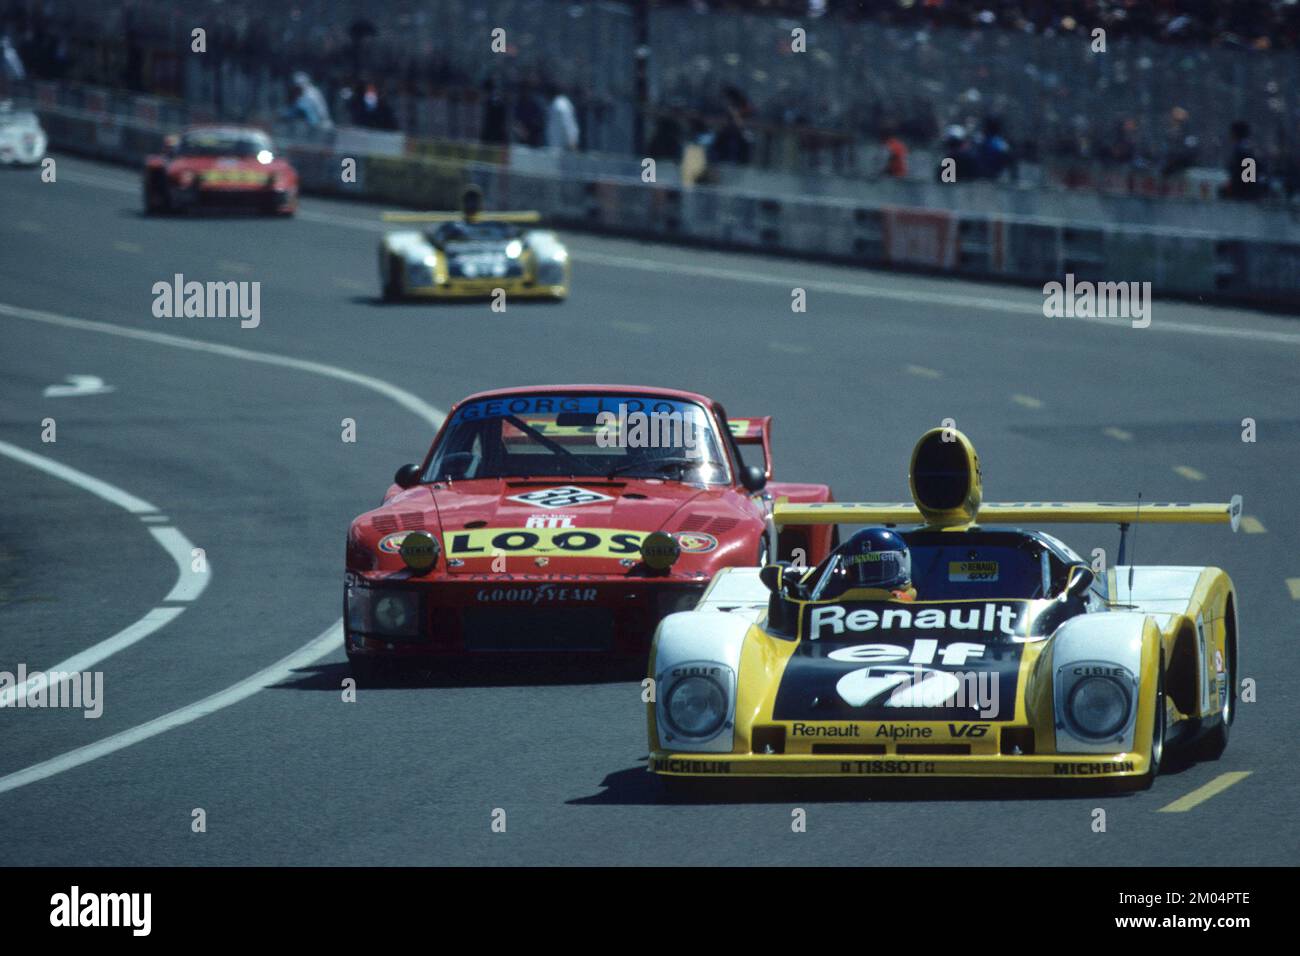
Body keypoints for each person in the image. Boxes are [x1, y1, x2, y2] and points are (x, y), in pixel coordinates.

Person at [819, 528, 916, 602]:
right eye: (859, 570)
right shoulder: (836, 604)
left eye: (878, 569)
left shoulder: (920, 607)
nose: (871, 575)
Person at [544, 83, 579, 150]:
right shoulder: (556, 104)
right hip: (557, 145)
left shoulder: (560, 105)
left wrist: (571, 140)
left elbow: (567, 124)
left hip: (563, 146)